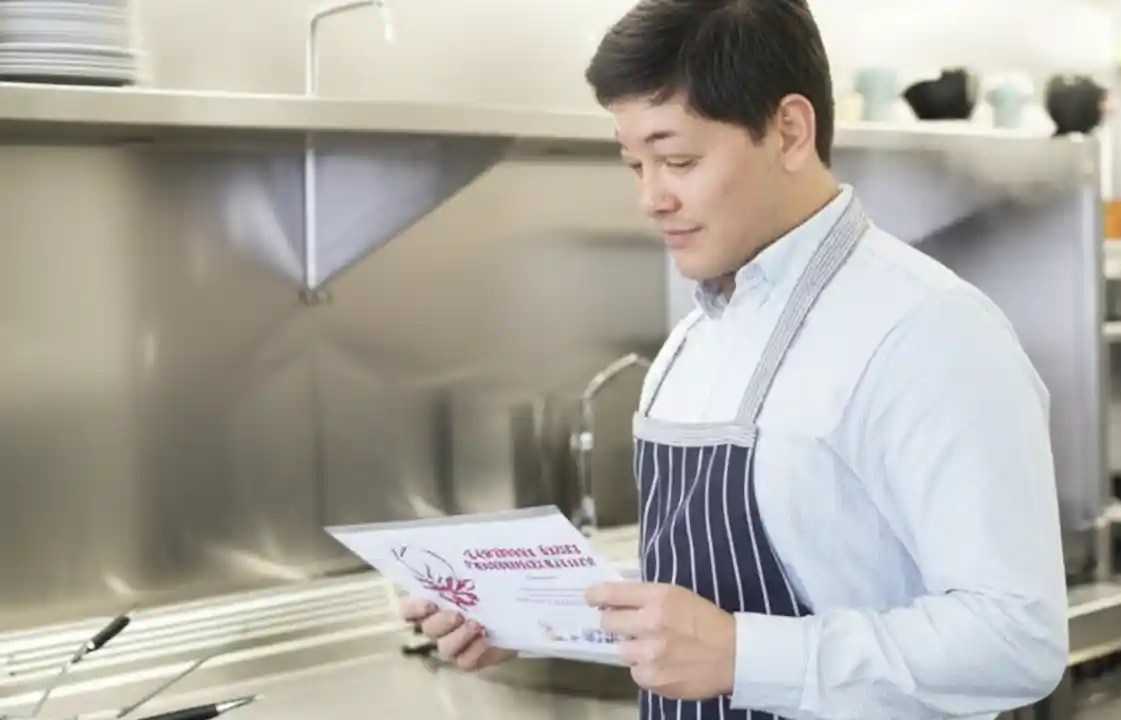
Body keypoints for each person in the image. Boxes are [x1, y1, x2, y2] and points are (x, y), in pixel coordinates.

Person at [403, 0, 1069, 718]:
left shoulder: (929, 331)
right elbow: (705, 605)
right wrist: (534, 615)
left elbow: (1017, 639)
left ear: (789, 131)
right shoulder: (693, 344)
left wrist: (741, 656)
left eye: (678, 159)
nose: (652, 198)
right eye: (635, 164)